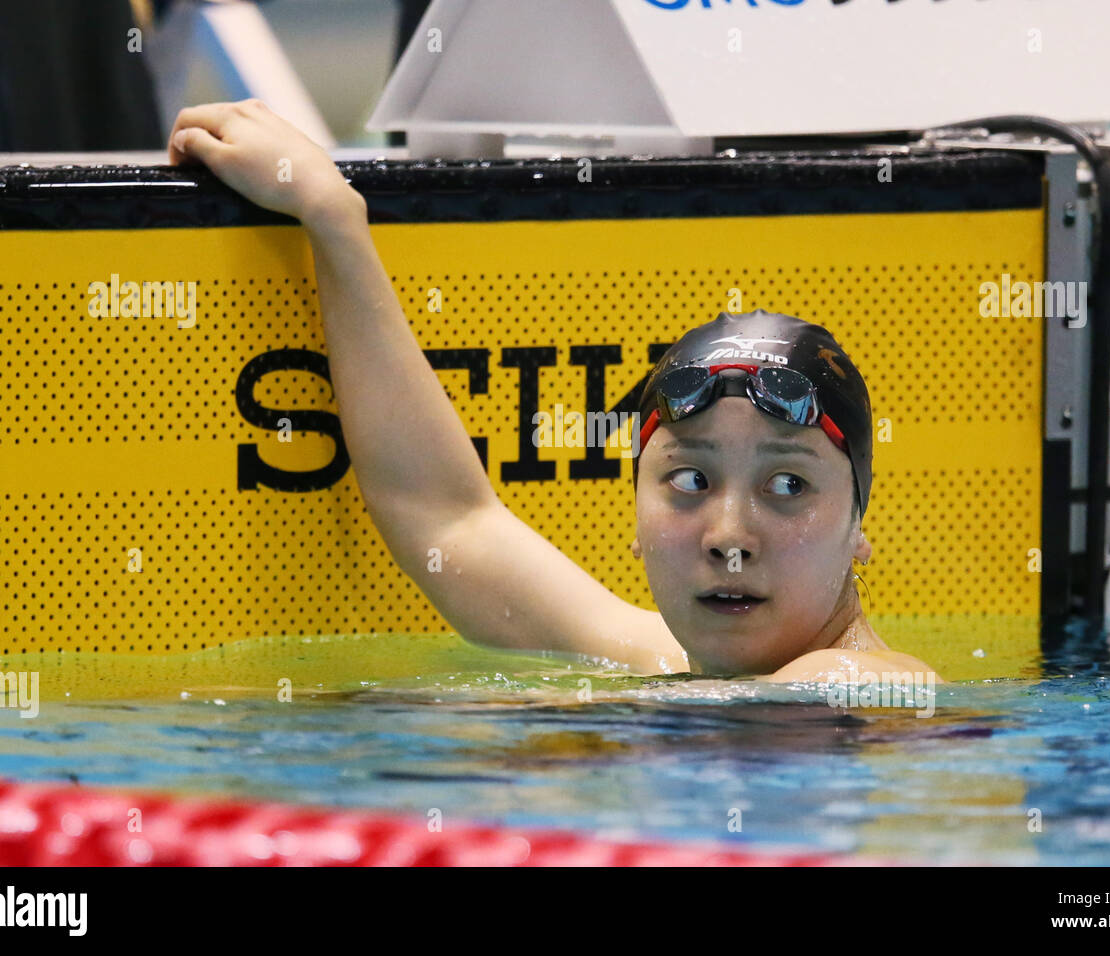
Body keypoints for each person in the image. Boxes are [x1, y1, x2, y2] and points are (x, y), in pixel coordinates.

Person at [167, 98, 941, 686]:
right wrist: (333, 216)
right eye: (690, 480)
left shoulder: (863, 686)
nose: (728, 535)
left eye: (787, 484)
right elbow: (445, 515)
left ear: (858, 527)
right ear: (635, 516)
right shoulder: (655, 658)